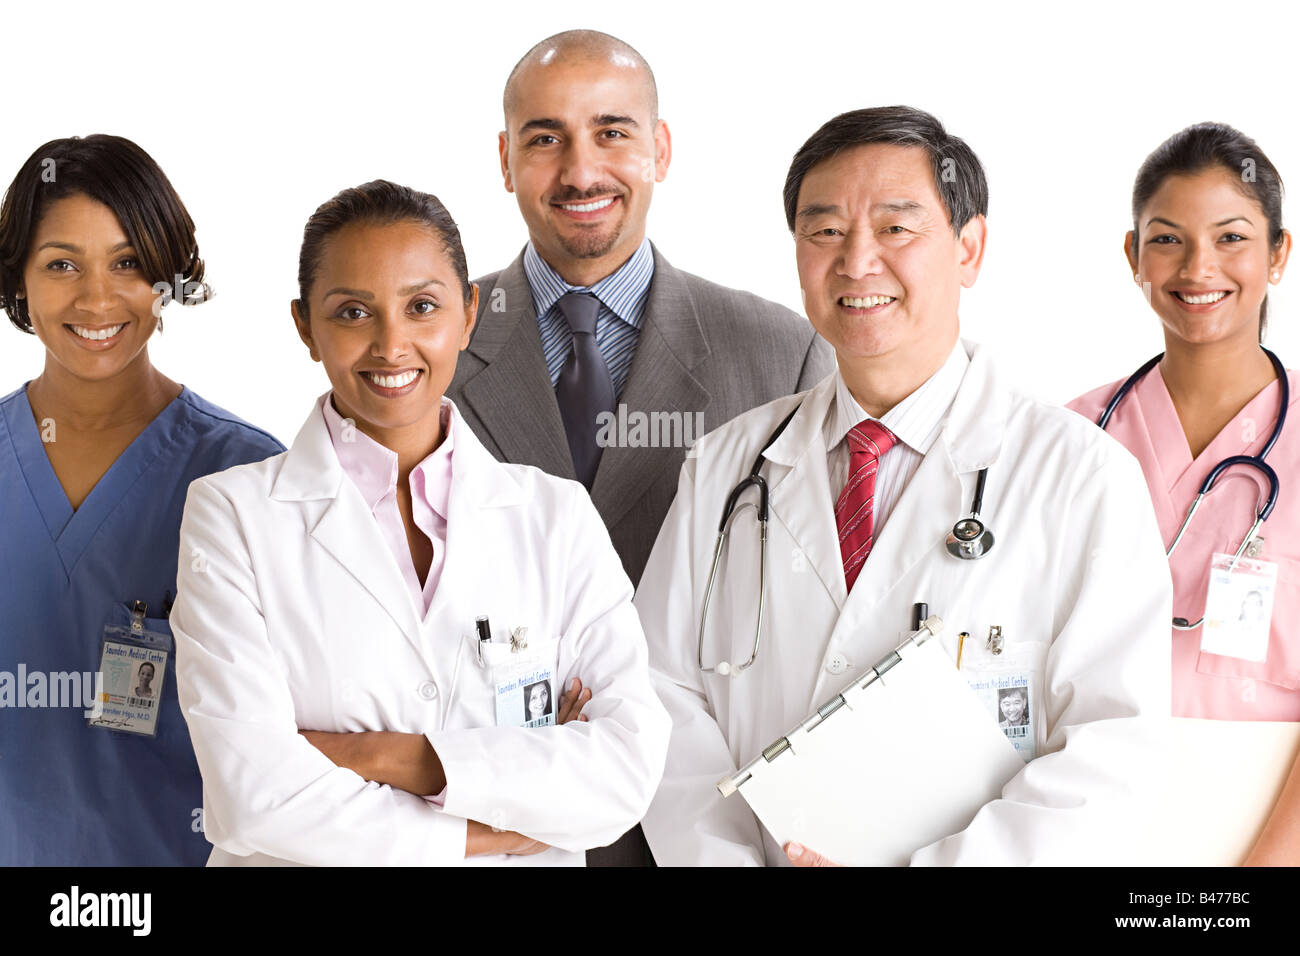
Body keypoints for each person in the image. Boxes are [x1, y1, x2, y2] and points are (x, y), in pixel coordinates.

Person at [635, 106, 1173, 866]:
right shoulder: (724, 469)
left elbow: (1113, 750)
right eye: (824, 231)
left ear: (969, 248)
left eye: (895, 228)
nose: (856, 261)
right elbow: (661, 701)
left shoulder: (1082, 478)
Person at [171, 180, 670, 866]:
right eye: (352, 312)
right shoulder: (233, 518)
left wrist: (380, 756)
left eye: (422, 307)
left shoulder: (554, 516)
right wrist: (490, 829)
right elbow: (252, 797)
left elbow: (624, 771)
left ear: (468, 315)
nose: (391, 343)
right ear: (304, 326)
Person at [446, 29, 833, 865]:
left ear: (659, 149)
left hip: (704, 823)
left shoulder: (779, 352)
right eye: (544, 139)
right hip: (485, 815)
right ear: (504, 160)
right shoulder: (421, 345)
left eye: (612, 133)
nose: (581, 171)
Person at [0, 134, 285, 866]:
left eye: (127, 263)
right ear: (19, 281)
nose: (97, 299)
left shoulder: (246, 475)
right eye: (61, 264)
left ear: (167, 277)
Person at [1067, 123, 1299, 865]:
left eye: (1232, 237)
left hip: (1267, 829)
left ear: (1279, 254)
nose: (1199, 266)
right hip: (1084, 822)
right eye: (1167, 239)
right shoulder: (1069, 438)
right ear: (1133, 256)